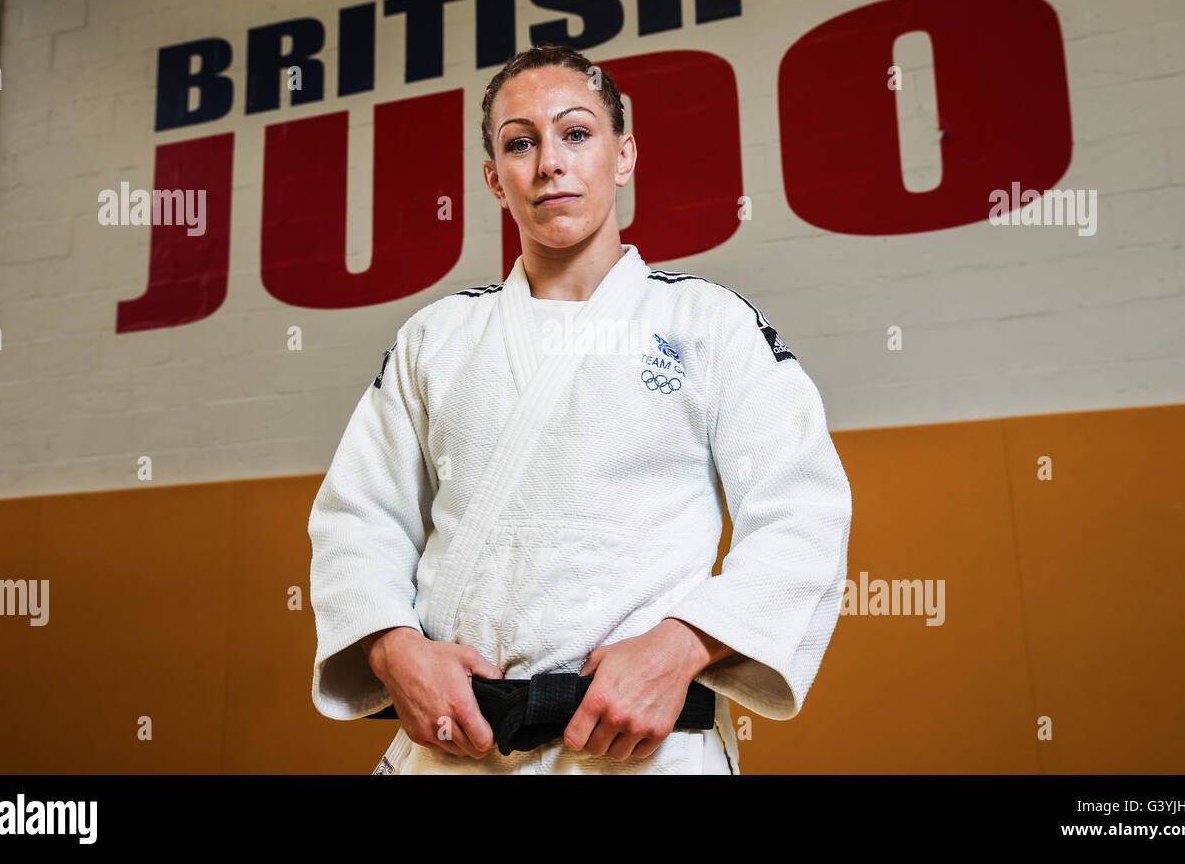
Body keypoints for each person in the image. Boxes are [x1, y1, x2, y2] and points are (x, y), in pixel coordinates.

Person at [307, 43, 852, 774]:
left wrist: (684, 645)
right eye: (519, 143)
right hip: (455, 745)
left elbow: (804, 512)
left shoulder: (706, 323)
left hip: (644, 749)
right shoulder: (437, 338)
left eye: (576, 133)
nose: (549, 164)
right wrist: (391, 647)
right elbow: (357, 520)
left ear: (624, 156)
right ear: (494, 179)